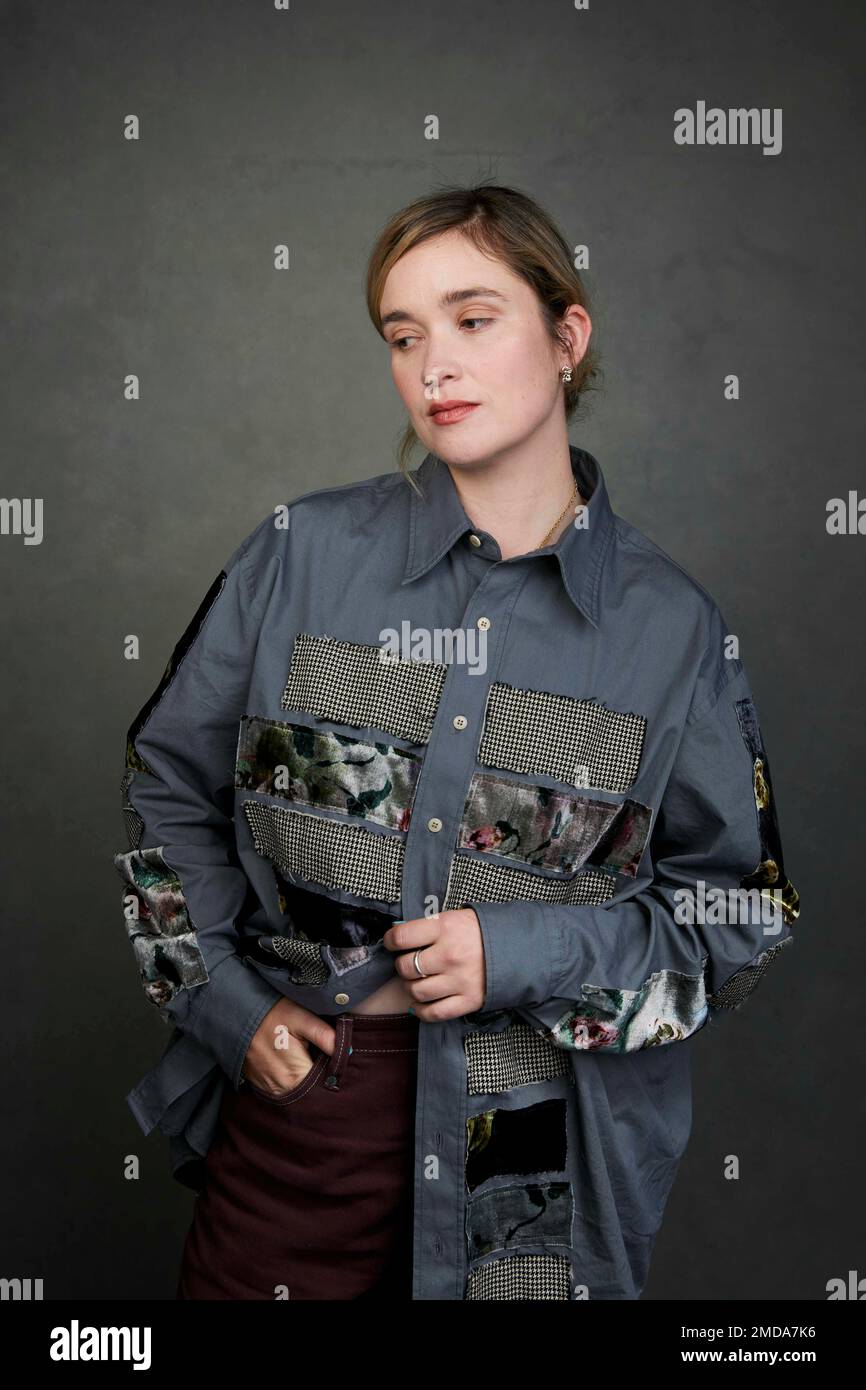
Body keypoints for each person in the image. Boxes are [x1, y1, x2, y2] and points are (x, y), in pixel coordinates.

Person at [114, 182, 799, 1301]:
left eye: (473, 320)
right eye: (402, 333)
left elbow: (737, 923)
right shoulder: (300, 555)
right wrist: (228, 1007)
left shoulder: (673, 629)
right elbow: (164, 790)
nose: (432, 363)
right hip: (302, 1129)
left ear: (566, 335)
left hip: (542, 1159)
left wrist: (522, 952)